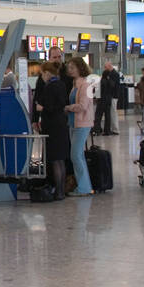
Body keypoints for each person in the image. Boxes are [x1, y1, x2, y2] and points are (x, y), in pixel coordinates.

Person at [35, 61, 71, 200]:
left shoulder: (49, 87)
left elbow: (50, 108)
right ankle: (61, 190)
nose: (42, 76)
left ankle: (59, 192)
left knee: (55, 159)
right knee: (60, 160)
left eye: (42, 73)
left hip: (52, 126)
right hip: (61, 125)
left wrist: (41, 108)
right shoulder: (61, 85)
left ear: (47, 73)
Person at [62, 57, 94, 196]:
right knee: (77, 155)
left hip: (82, 123)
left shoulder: (85, 85)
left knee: (75, 155)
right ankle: (84, 186)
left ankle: (84, 187)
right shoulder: (75, 84)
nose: (70, 70)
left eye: (72, 67)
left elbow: (83, 106)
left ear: (80, 68)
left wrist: (69, 107)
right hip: (73, 122)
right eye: (69, 67)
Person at [94, 61, 120, 135]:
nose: (104, 69)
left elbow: (113, 86)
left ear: (109, 66)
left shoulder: (113, 74)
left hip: (112, 97)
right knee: (109, 114)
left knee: (112, 113)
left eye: (105, 67)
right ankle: (109, 129)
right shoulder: (110, 77)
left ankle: (114, 129)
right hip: (109, 98)